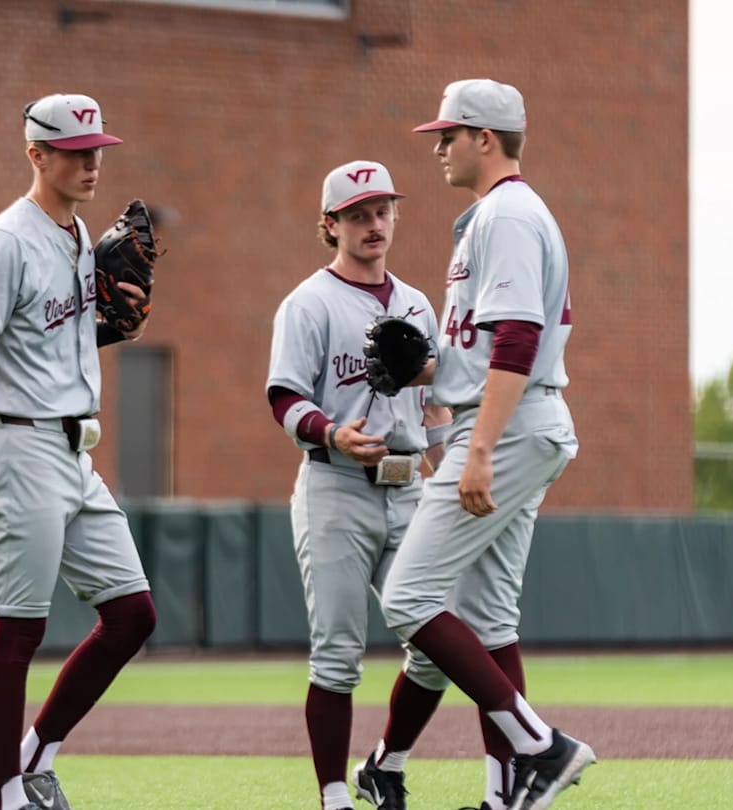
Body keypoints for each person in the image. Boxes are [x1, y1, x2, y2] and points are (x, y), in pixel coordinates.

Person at [374, 79, 596, 810]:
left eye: (449, 134)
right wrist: (430, 369)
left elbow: (520, 338)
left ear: (486, 140)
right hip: (511, 416)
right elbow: (485, 348)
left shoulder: (505, 213)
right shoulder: (494, 219)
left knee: (407, 597)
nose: (439, 146)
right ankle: (509, 798)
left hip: (505, 425)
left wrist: (476, 449)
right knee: (491, 619)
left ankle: (540, 745)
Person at [0, 93, 158, 810]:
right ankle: (6, 794)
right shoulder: (7, 240)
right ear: (37, 155)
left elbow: (47, 341)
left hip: (73, 451)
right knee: (19, 627)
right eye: (74, 151)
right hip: (17, 443)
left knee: (134, 616)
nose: (92, 162)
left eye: (97, 149)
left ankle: (35, 754)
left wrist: (109, 328)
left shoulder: (75, 235)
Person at [265, 160, 451, 810]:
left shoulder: (416, 303)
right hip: (336, 488)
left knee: (436, 638)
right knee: (338, 653)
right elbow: (284, 398)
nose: (374, 224)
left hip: (409, 488)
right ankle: (334, 796)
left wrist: (447, 459)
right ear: (331, 225)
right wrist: (330, 433)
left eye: (382, 211)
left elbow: (434, 403)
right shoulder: (309, 302)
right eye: (358, 214)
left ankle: (387, 764)